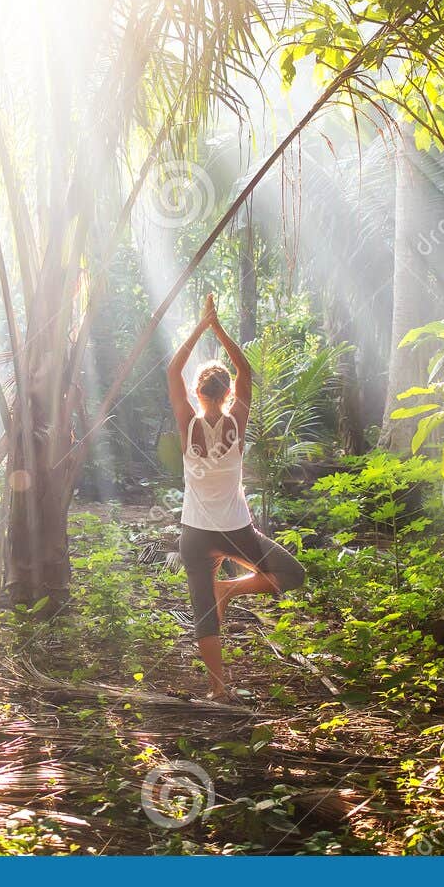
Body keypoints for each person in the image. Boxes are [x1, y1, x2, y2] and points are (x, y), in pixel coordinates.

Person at [167, 293, 306, 701]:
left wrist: (200, 326)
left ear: (196, 392)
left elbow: (173, 368)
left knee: (203, 610)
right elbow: (245, 367)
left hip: (195, 534)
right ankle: (232, 589)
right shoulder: (238, 424)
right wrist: (218, 327)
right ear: (228, 394)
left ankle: (218, 690)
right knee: (291, 573)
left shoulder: (186, 424)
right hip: (235, 532)